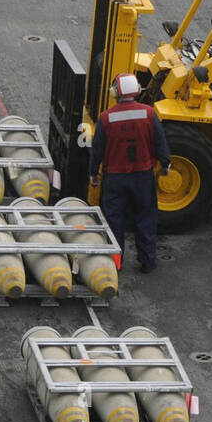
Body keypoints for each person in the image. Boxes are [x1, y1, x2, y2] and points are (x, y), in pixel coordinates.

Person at [88, 73, 171, 273]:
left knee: (114, 221)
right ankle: (147, 261)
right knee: (145, 217)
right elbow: (160, 143)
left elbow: (97, 149)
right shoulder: (149, 114)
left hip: (115, 177)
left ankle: (115, 264)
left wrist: (93, 173)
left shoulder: (106, 118)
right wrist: (165, 165)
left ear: (117, 92)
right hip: (142, 175)